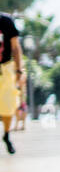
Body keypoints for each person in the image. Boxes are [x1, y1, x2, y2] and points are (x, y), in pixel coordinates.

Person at [0, 12, 24, 154]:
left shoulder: (6, 21)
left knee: (8, 105)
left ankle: (7, 135)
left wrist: (19, 70)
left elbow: (15, 47)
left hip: (6, 68)